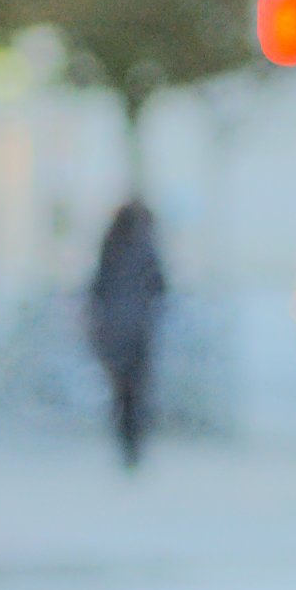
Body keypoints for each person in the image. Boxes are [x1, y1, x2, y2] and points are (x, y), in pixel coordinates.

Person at [86, 198, 168, 470]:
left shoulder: (111, 245)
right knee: (138, 390)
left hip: (111, 330)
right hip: (138, 332)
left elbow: (97, 285)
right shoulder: (146, 247)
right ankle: (133, 446)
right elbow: (161, 286)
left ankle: (125, 443)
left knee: (121, 391)